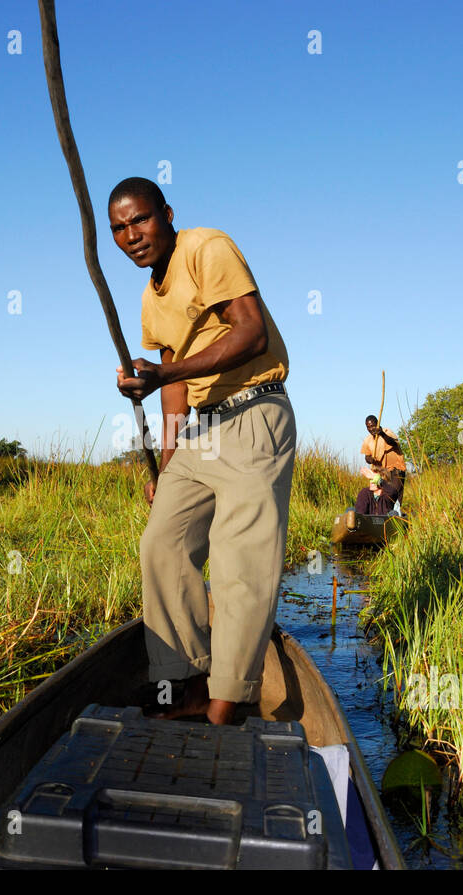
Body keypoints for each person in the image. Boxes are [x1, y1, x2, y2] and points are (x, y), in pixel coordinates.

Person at [109, 176, 294, 726]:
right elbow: (171, 388)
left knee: (240, 566)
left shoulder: (207, 248)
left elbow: (251, 332)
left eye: (140, 220)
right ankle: (187, 680)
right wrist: (167, 465)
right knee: (162, 545)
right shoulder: (150, 296)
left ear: (166, 214)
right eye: (119, 228)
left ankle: (226, 703)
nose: (131, 235)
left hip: (253, 412)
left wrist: (169, 370)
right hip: (198, 432)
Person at [356, 416, 405, 515]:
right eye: (368, 427)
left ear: (377, 424)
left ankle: (395, 515)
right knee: (380, 494)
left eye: (373, 426)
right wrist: (371, 459)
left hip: (395, 470)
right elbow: (367, 457)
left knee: (393, 494)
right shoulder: (368, 440)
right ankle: (380, 516)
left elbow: (393, 443)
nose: (371, 429)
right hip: (380, 472)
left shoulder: (387, 432)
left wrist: (381, 433)